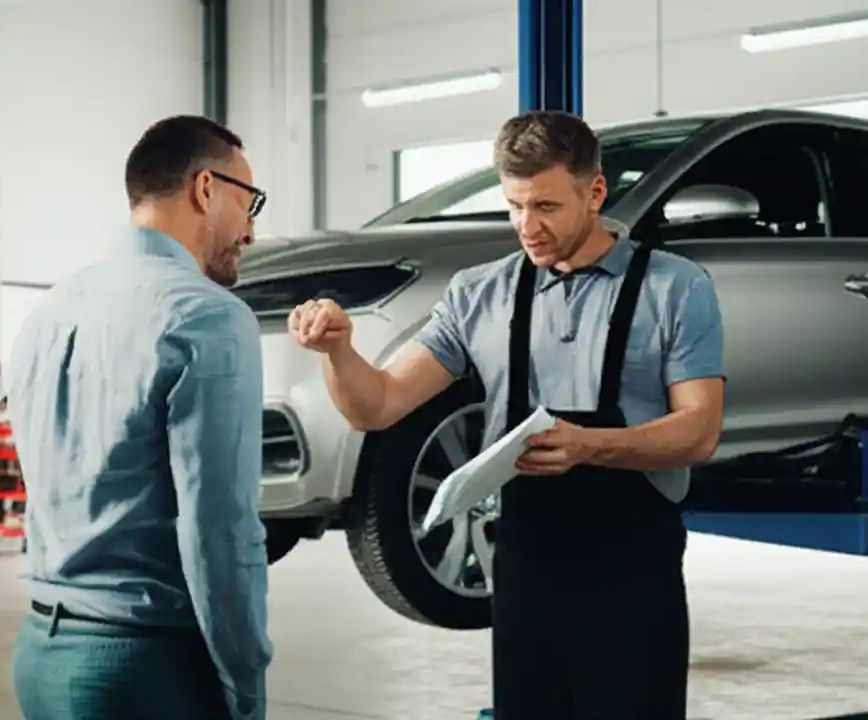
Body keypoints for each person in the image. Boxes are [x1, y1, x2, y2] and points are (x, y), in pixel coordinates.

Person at [289, 109, 725, 719]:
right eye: (514, 206)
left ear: (595, 192)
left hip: (633, 569)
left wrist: (590, 445)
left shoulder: (676, 289)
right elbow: (378, 405)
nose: (528, 226)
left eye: (546, 207)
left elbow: (699, 431)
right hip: (525, 568)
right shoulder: (478, 294)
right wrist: (337, 350)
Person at [6, 114, 273, 720]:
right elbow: (220, 532)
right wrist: (246, 686)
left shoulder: (49, 310)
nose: (251, 231)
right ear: (205, 189)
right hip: (145, 668)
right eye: (248, 202)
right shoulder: (209, 316)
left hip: (41, 658)